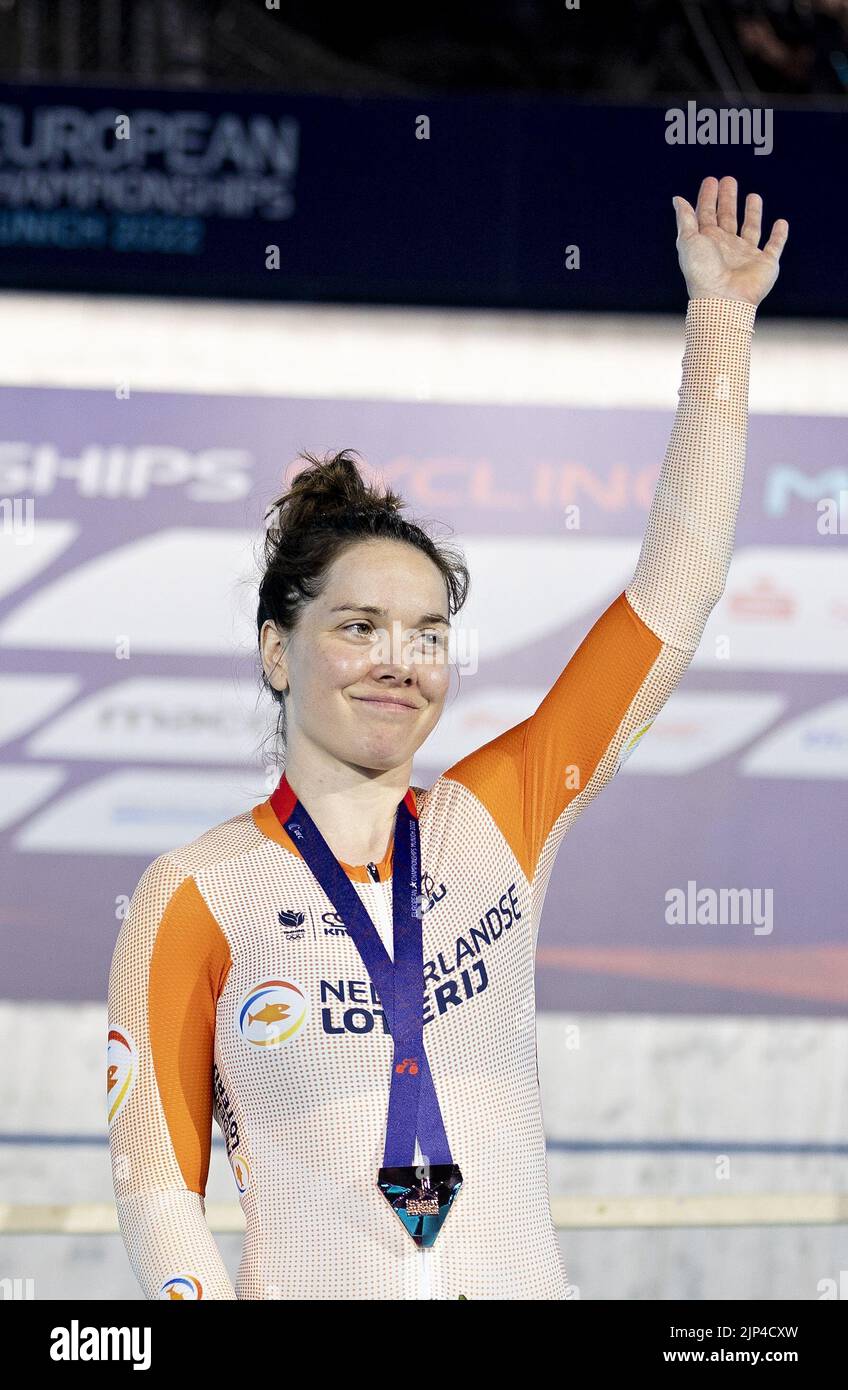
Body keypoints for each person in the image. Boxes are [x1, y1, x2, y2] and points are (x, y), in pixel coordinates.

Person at [106, 176, 788, 1300]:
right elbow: (156, 1200)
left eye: (427, 632)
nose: (398, 659)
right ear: (276, 650)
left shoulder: (496, 820)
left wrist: (718, 322)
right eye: (357, 626)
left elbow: (673, 599)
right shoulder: (193, 893)